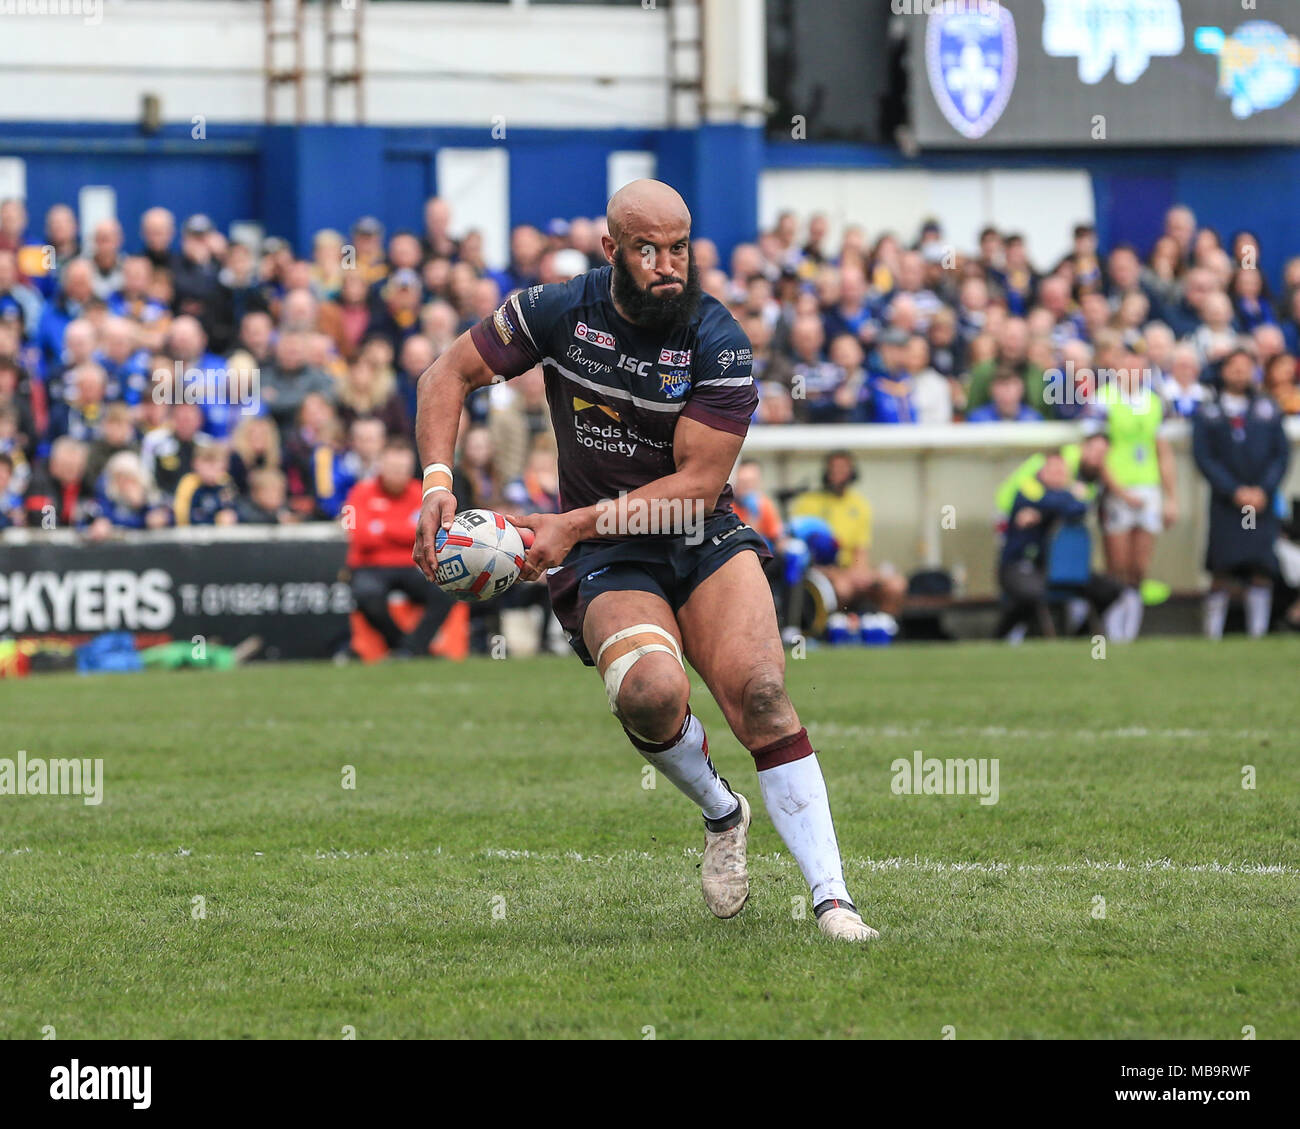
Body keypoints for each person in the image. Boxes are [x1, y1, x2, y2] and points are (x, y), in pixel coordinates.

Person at [411, 179, 877, 942]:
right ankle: (723, 811)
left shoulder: (716, 336)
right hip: (607, 553)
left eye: (680, 247)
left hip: (698, 532)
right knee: (652, 693)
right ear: (612, 250)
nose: (668, 264)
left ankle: (834, 900)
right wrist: (437, 480)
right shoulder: (556, 310)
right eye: (648, 248)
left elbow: (694, 489)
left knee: (760, 693)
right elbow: (445, 374)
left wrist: (571, 521)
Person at [1192, 348, 1291, 638]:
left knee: (1260, 564)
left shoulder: (1268, 409)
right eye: (1234, 367)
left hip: (1260, 503)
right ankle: (1212, 634)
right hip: (1227, 503)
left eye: (1245, 367)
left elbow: (1280, 455)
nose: (1239, 373)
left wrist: (1263, 490)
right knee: (1222, 565)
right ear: (1224, 371)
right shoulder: (1209, 412)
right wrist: (1234, 491)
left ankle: (1257, 633)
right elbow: (1205, 457)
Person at [346, 437, 454, 659]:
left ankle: (409, 649)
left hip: (414, 563)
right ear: (381, 467)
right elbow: (360, 536)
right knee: (367, 595)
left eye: (403, 468)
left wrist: (382, 527)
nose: (399, 474)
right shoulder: (360, 492)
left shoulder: (421, 493)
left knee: (447, 591)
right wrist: (407, 530)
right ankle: (407, 648)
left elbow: (430, 533)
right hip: (370, 566)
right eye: (394, 468)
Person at [1095, 354, 1178, 642]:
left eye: (1138, 369)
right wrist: (1119, 491)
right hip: (1118, 490)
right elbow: (1096, 452)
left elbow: (1163, 451)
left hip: (1148, 488)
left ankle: (1129, 631)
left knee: (1139, 567)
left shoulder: (1155, 402)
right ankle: (1112, 629)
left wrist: (1170, 497)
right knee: (1116, 564)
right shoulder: (1102, 400)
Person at [995, 451, 1120, 640]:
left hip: (1057, 570)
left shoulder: (1065, 495)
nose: (1058, 475)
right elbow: (1058, 503)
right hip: (1019, 565)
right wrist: (1072, 498)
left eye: (1062, 471)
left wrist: (1070, 502)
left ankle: (1079, 637)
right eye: (1053, 470)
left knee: (1110, 589)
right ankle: (999, 637)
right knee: (1030, 592)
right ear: (1042, 471)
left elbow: (1080, 508)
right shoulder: (1029, 489)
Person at [788, 450, 906, 618]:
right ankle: (836, 629)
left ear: (852, 473)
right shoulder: (809, 502)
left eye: (843, 469)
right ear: (826, 472)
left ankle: (882, 627)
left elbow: (861, 549)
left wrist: (861, 573)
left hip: (851, 569)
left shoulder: (860, 505)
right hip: (823, 570)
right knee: (843, 588)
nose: (838, 474)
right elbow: (802, 549)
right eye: (834, 469)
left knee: (895, 584)